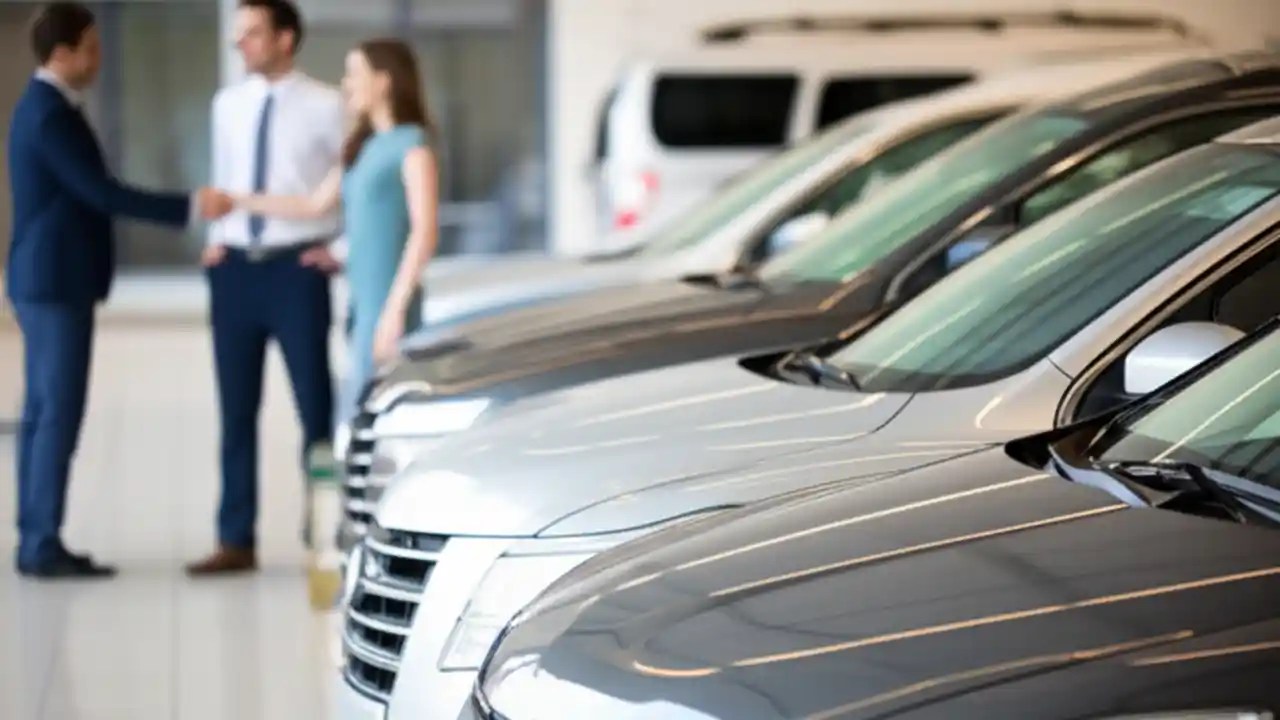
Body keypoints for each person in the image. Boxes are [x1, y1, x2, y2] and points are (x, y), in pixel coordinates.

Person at [7, 2, 231, 579]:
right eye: (91, 46)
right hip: (54, 281)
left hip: (45, 278)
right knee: (56, 412)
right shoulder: (51, 114)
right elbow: (100, 193)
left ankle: (36, 535)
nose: (98, 57)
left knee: (42, 412)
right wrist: (188, 207)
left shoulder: (46, 107)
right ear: (64, 53)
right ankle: (40, 543)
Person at [186, 0, 347, 577]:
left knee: (316, 409)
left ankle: (326, 534)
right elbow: (226, 177)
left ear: (285, 38)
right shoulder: (226, 105)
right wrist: (216, 238)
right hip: (233, 272)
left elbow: (351, 183)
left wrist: (341, 250)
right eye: (238, 34)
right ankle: (235, 540)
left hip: (295, 271)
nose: (241, 44)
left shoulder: (329, 105)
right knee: (235, 411)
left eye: (252, 33)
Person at [232, 38, 439, 442]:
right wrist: (236, 201)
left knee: (373, 419)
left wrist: (395, 311)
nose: (346, 85)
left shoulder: (413, 147)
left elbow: (424, 231)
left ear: (383, 81)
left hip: (387, 302)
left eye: (354, 75)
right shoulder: (360, 148)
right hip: (361, 302)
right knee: (361, 416)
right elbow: (314, 206)